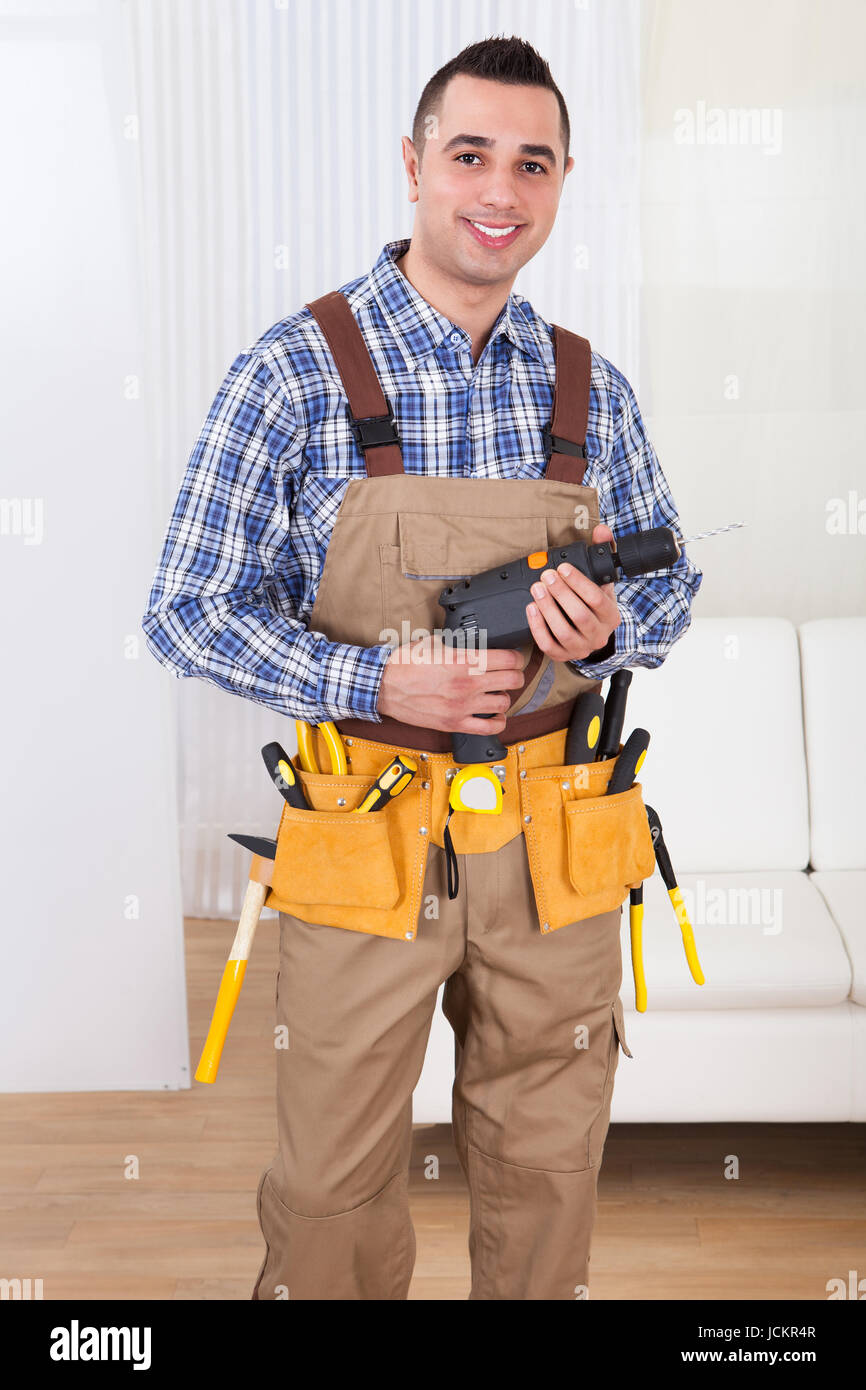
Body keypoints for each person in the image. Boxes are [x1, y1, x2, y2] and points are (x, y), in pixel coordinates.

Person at [142, 35, 702, 1301]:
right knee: (333, 1179)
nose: (498, 189)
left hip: (559, 832)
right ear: (411, 165)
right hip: (365, 828)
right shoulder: (291, 370)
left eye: (531, 162)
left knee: (548, 1162)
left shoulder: (587, 387)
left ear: (560, 184)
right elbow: (185, 610)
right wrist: (372, 684)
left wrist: (604, 633)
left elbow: (668, 589)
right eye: (468, 156)